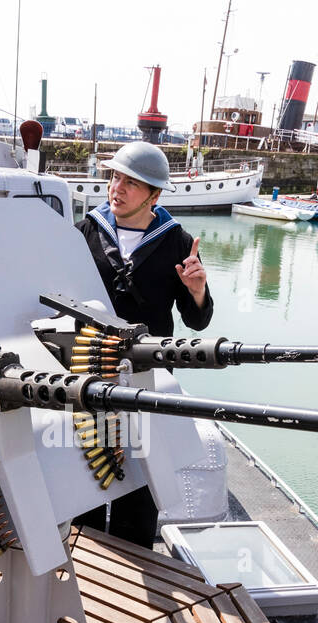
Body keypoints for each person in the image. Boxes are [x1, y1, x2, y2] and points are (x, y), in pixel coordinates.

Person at [74, 141, 212, 547]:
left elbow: (197, 319)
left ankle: (135, 562)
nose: (117, 189)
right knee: (86, 473)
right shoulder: (83, 233)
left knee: (143, 473)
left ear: (154, 194)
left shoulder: (178, 243)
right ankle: (88, 555)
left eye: (131, 183)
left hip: (148, 377)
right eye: (115, 177)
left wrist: (197, 289)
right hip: (88, 371)